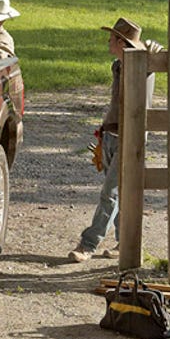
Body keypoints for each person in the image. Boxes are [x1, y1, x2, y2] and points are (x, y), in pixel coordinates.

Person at [68, 17, 161, 263]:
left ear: (121, 42)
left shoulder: (143, 66)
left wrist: (150, 53)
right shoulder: (118, 65)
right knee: (117, 193)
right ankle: (125, 242)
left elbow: (150, 64)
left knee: (109, 193)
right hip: (111, 134)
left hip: (129, 138)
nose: (108, 41)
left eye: (112, 38)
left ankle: (88, 244)